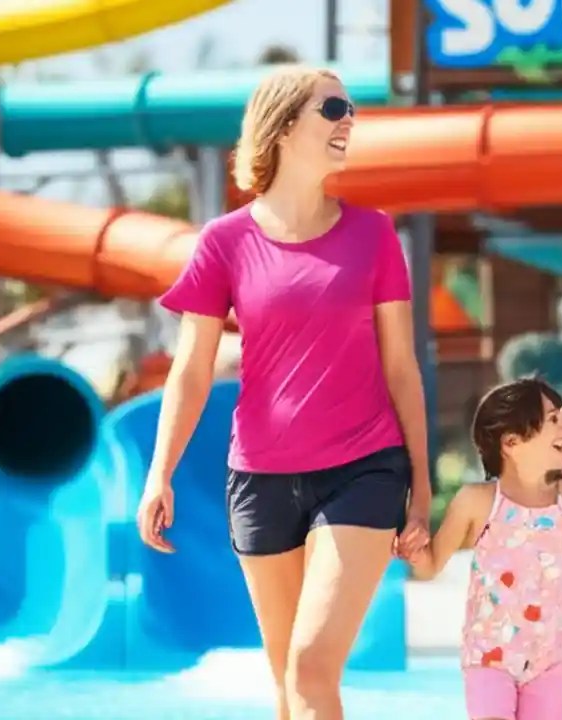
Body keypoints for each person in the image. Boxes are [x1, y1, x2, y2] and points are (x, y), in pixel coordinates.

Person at [135, 64, 432, 720]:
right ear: (283, 125)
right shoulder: (224, 242)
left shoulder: (374, 234)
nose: (348, 119)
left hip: (363, 470)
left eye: (350, 108)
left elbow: (402, 367)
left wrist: (422, 481)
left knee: (312, 668)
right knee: (286, 688)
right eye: (333, 108)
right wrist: (160, 474)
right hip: (260, 477)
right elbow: (189, 369)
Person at [403, 378, 562, 720]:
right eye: (552, 418)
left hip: (549, 657)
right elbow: (431, 566)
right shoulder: (478, 502)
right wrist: (416, 552)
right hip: (489, 654)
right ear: (511, 442)